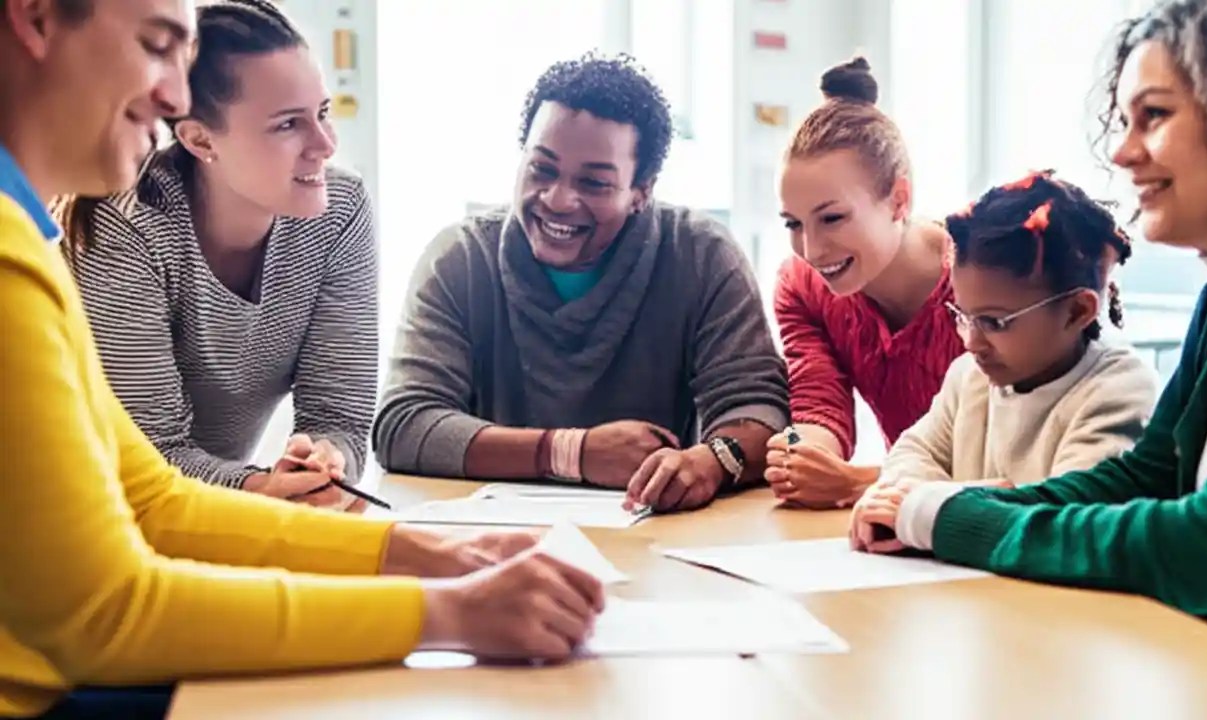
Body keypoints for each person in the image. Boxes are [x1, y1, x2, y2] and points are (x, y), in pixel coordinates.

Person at [0, 1, 603, 717]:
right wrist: (447, 613)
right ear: (35, 19)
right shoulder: (20, 257)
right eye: (156, 45)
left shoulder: (22, 237)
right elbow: (106, 612)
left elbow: (153, 498)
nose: (172, 95)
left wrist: (423, 555)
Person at [851, 0, 1207, 647]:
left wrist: (945, 518)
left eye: (1155, 116)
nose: (1122, 150)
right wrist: (951, 509)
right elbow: (1146, 476)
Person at [374, 53, 789, 514]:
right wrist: (573, 452)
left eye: (593, 183)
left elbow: (760, 412)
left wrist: (712, 460)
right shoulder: (462, 259)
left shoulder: (701, 256)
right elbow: (403, 425)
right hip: (488, 539)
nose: (557, 200)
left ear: (641, 192)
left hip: (657, 537)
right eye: (542, 169)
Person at [57, 0, 375, 509]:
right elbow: (148, 454)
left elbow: (340, 415)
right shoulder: (126, 226)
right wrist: (260, 488)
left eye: (321, 113)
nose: (325, 144)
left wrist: (323, 463)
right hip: (96, 513)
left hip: (212, 521)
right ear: (200, 139)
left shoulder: (340, 209)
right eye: (288, 125)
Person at [851, 170, 1157, 523]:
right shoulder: (970, 376)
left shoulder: (1119, 390)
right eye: (963, 316)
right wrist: (926, 501)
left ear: (1077, 311)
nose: (971, 341)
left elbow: (1064, 517)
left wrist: (928, 506)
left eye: (995, 322)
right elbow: (911, 454)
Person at [765, 56, 964, 509]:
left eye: (832, 218)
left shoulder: (983, 278)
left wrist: (862, 481)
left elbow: (1017, 466)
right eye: (793, 224)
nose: (812, 250)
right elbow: (819, 406)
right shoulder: (801, 285)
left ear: (898, 200)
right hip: (904, 530)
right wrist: (799, 453)